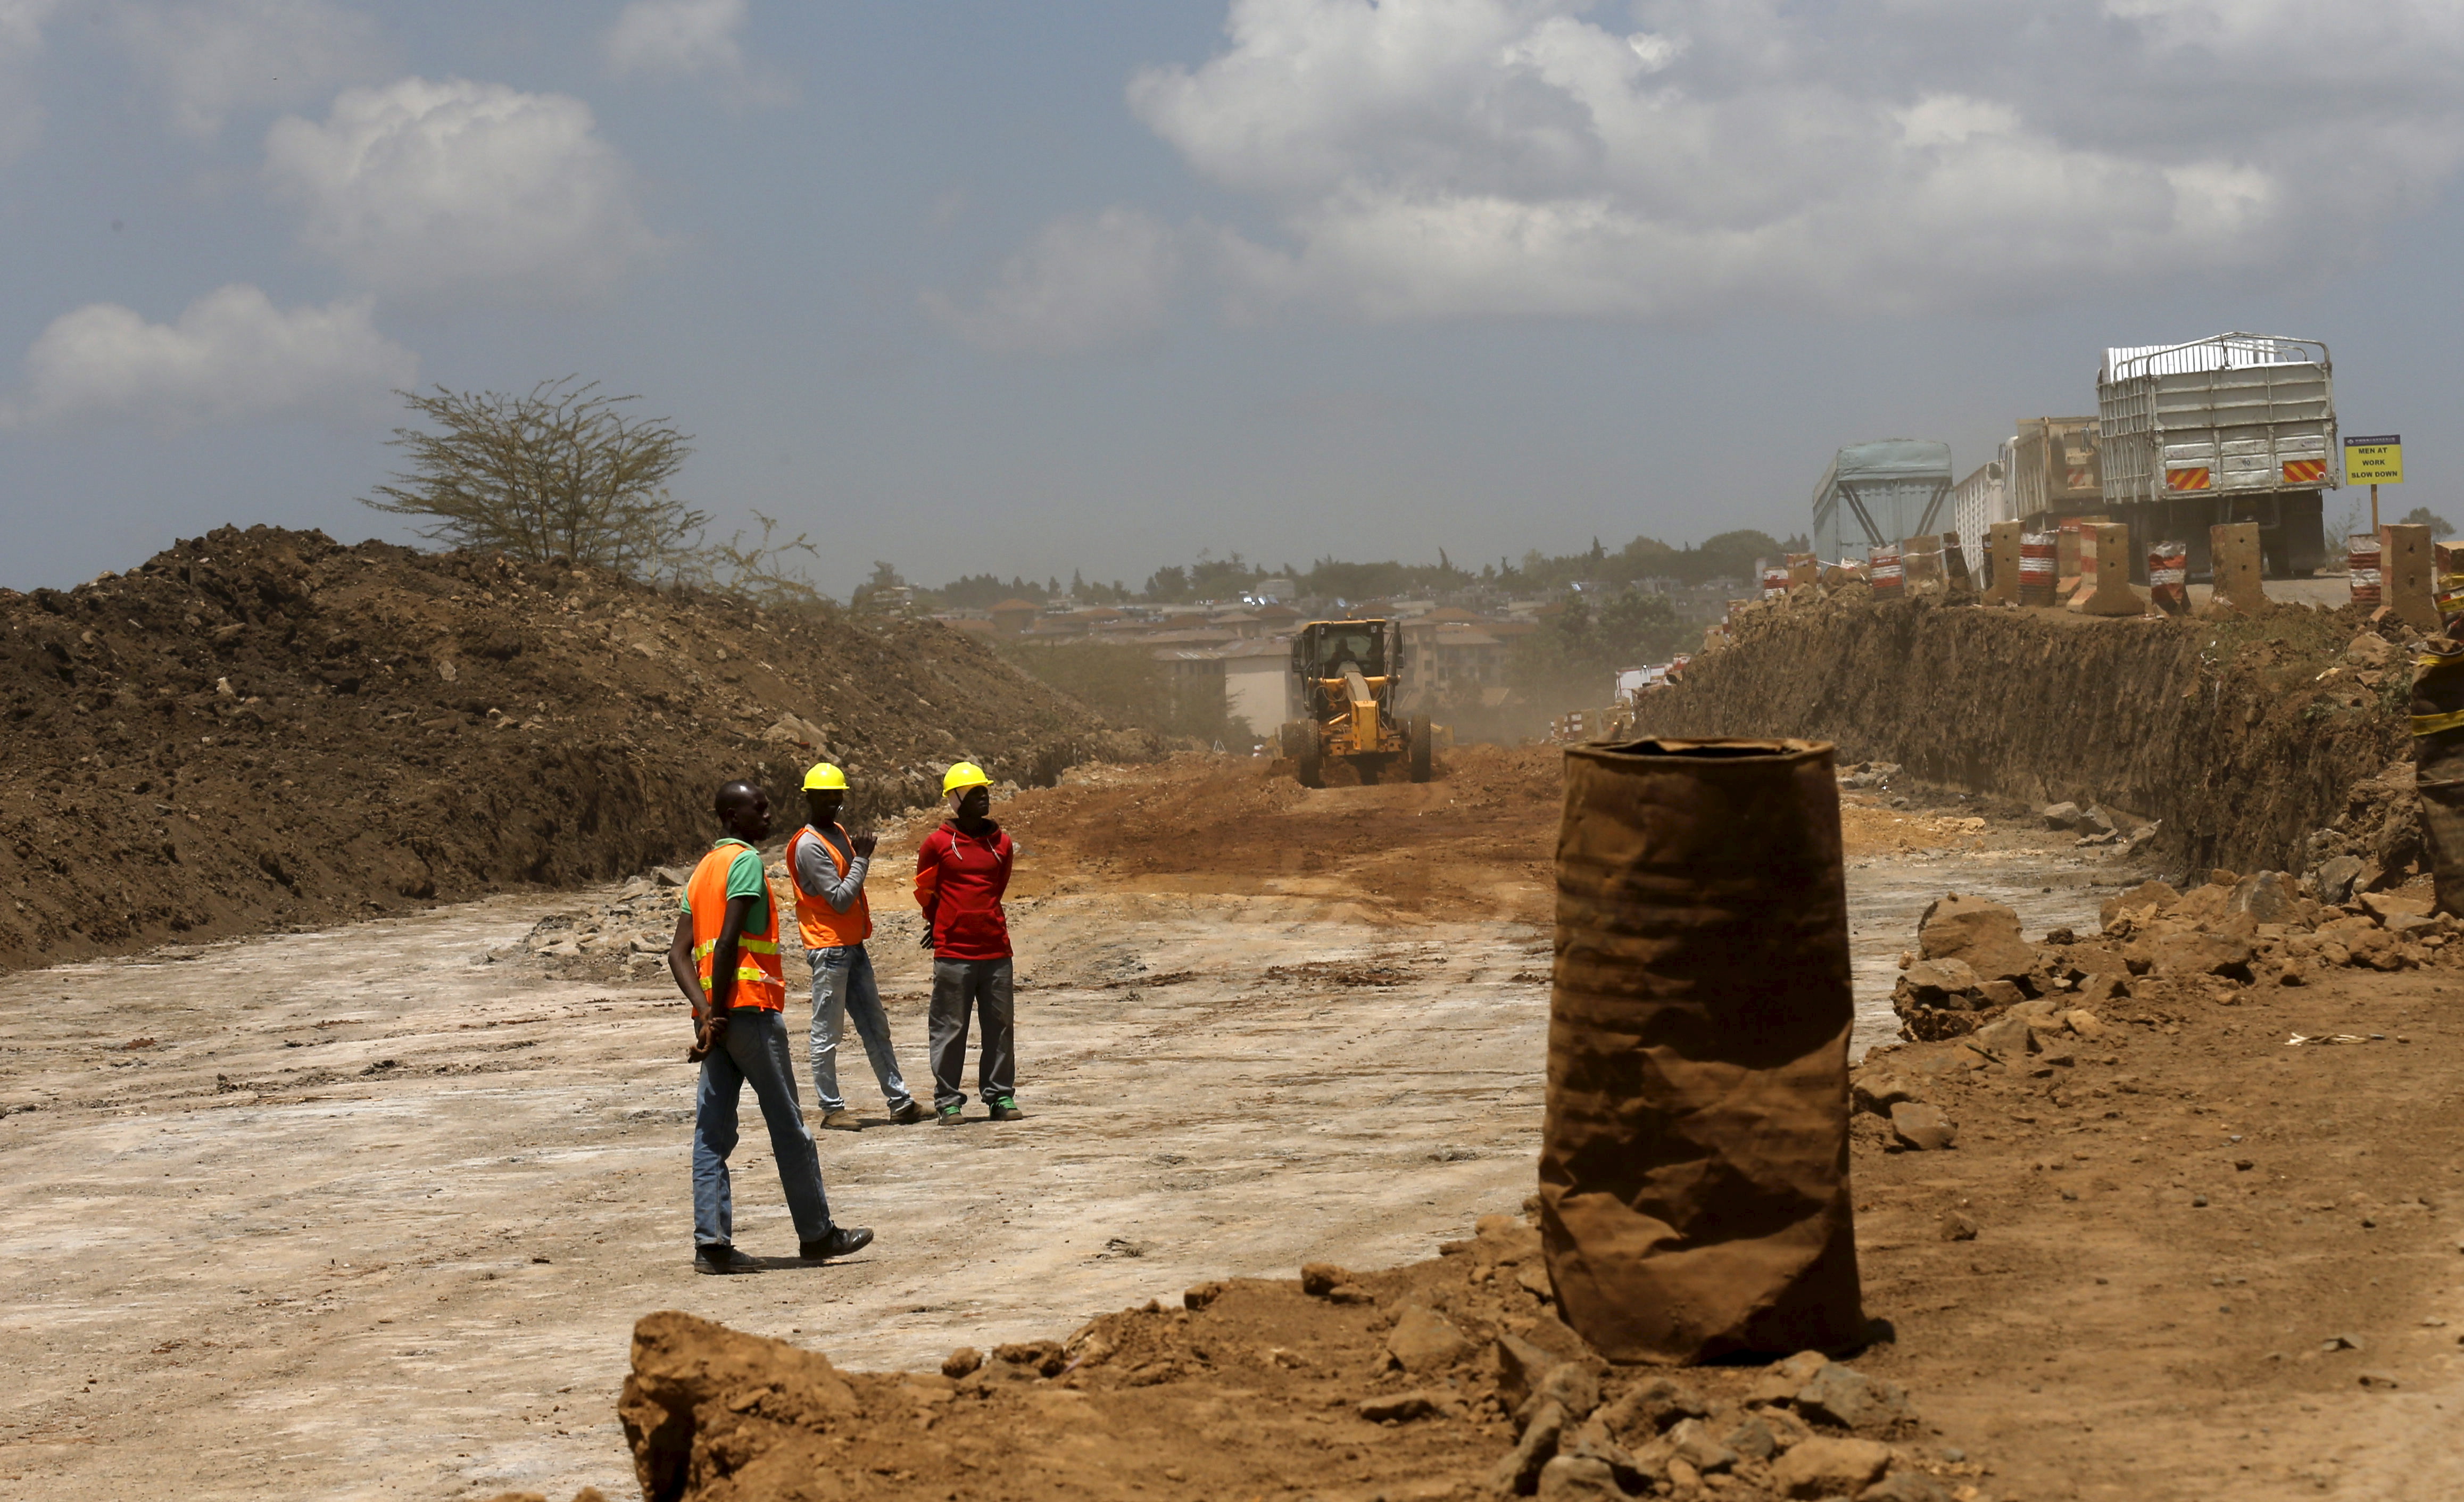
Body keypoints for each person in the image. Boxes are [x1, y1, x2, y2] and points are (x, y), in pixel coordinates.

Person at [666, 778, 873, 1274]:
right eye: (757, 808)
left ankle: (711, 1246)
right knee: (790, 1128)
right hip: (749, 1013)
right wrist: (715, 1009)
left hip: (717, 1022)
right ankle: (818, 1234)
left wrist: (704, 1015)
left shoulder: (700, 873)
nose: (767, 814)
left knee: (711, 1135)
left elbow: (678, 954)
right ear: (731, 817)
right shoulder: (744, 862)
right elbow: (730, 941)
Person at [787, 762, 926, 1131]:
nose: (833, 803)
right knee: (827, 1032)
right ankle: (832, 1108)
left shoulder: (837, 833)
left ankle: (900, 1101)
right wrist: (863, 856)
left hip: (850, 946)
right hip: (829, 948)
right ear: (810, 799)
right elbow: (839, 898)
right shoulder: (808, 844)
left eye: (838, 797)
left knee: (875, 1026)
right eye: (826, 797)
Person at [914, 761, 1020, 1125]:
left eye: (985, 790)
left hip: (995, 950)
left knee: (1000, 1026)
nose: (984, 796)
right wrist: (939, 919)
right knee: (950, 1027)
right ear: (956, 800)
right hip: (953, 952)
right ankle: (948, 1100)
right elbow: (926, 888)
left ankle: (1000, 1096)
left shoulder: (1002, 843)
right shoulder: (937, 844)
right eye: (975, 792)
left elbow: (997, 887)